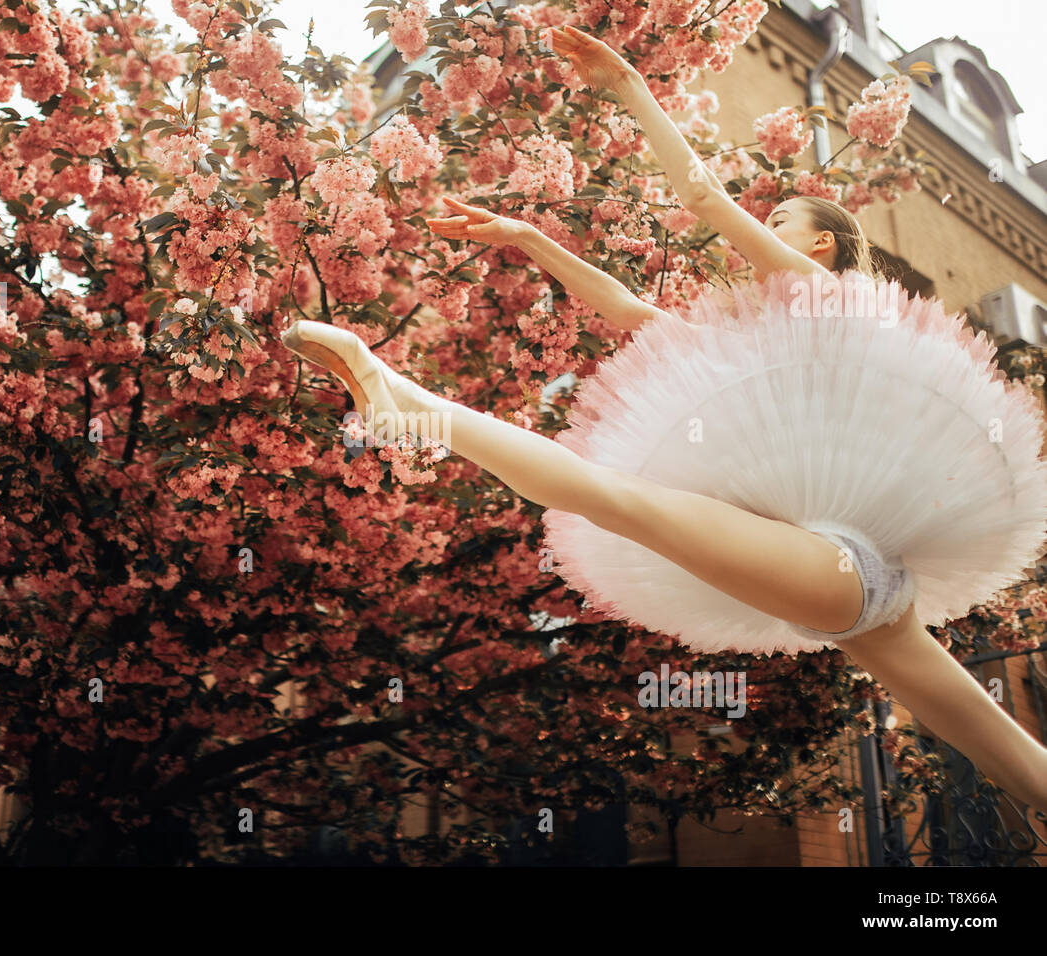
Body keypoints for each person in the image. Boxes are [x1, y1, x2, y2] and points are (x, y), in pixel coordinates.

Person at [279, 25, 1047, 812]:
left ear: (819, 240)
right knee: (1010, 752)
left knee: (610, 497)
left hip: (844, 565)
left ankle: (409, 402)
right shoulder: (770, 356)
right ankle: (406, 403)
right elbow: (624, 308)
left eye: (779, 221)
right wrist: (528, 236)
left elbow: (705, 197)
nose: (766, 229)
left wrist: (629, 88)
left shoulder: (836, 297)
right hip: (867, 592)